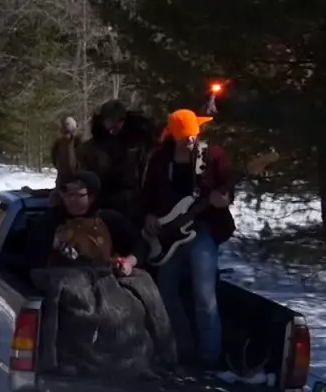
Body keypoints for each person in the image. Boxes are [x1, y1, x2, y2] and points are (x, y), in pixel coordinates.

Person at [142, 108, 235, 371]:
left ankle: (209, 359)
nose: (191, 141)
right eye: (185, 137)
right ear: (173, 135)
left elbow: (228, 187)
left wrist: (224, 199)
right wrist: (149, 215)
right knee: (165, 293)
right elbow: (148, 192)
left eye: (194, 135)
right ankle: (181, 349)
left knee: (205, 297)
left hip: (202, 231)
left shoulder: (211, 155)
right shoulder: (161, 158)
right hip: (169, 235)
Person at [22, 171, 141, 273]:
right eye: (68, 194)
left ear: (91, 197)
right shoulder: (52, 220)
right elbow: (33, 257)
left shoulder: (108, 219)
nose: (70, 199)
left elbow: (141, 245)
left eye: (77, 195)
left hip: (103, 284)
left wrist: (129, 262)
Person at [77, 99, 157, 222]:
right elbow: (85, 178)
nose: (115, 124)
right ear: (102, 120)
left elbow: (147, 170)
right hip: (102, 205)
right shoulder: (90, 148)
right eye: (110, 120)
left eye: (120, 120)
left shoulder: (136, 143)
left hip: (133, 205)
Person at [50, 116, 83, 201]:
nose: (66, 134)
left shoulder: (79, 142)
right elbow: (54, 158)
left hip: (77, 182)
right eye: (65, 131)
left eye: (68, 131)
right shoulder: (58, 143)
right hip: (62, 181)